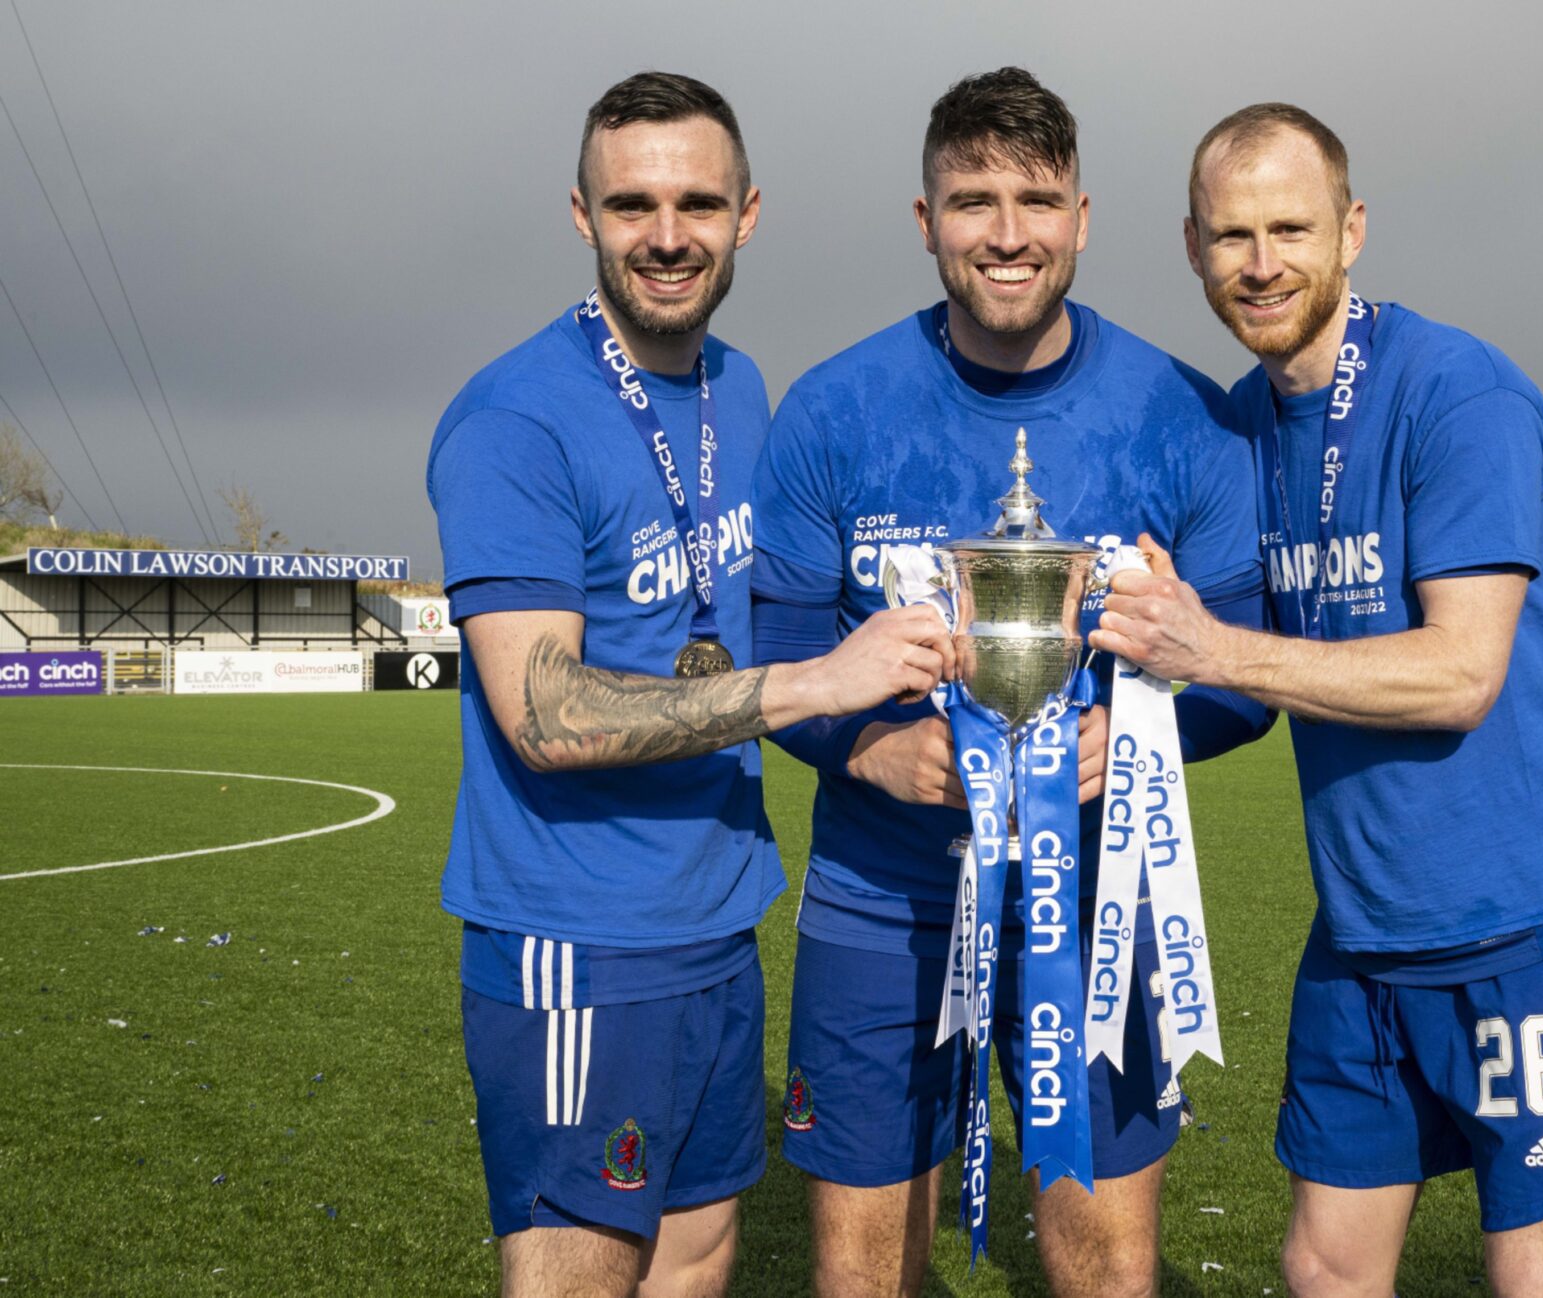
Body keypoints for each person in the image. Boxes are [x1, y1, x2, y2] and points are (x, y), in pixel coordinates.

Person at [1089, 104, 1543, 1298]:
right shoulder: (1230, 431)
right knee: (1322, 1265)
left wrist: (1205, 647)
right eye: (1231, 235)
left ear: (1351, 229)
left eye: (1291, 228)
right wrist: (1116, 733)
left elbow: (1459, 672)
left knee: (1542, 1280)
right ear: (1191, 246)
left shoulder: (1459, 393)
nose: (1260, 264)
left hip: (1525, 930)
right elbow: (1236, 682)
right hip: (1360, 936)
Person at [426, 71, 952, 1298]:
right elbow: (544, 711)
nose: (667, 236)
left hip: (716, 920)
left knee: (700, 1249)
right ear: (581, 213)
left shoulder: (743, 389)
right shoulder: (515, 418)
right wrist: (812, 685)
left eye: (697, 203)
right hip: (577, 935)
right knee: (576, 1271)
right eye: (633, 205)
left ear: (747, 214)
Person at [750, 68, 1270, 1298]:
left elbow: (1245, 669)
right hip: (882, 896)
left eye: (1035, 199)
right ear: (924, 219)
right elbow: (774, 647)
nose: (1006, 232)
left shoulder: (1180, 416)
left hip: (1095, 899)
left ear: (1081, 218)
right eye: (971, 199)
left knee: (1101, 1262)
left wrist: (1132, 738)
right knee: (866, 1269)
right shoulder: (832, 409)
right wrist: (866, 748)